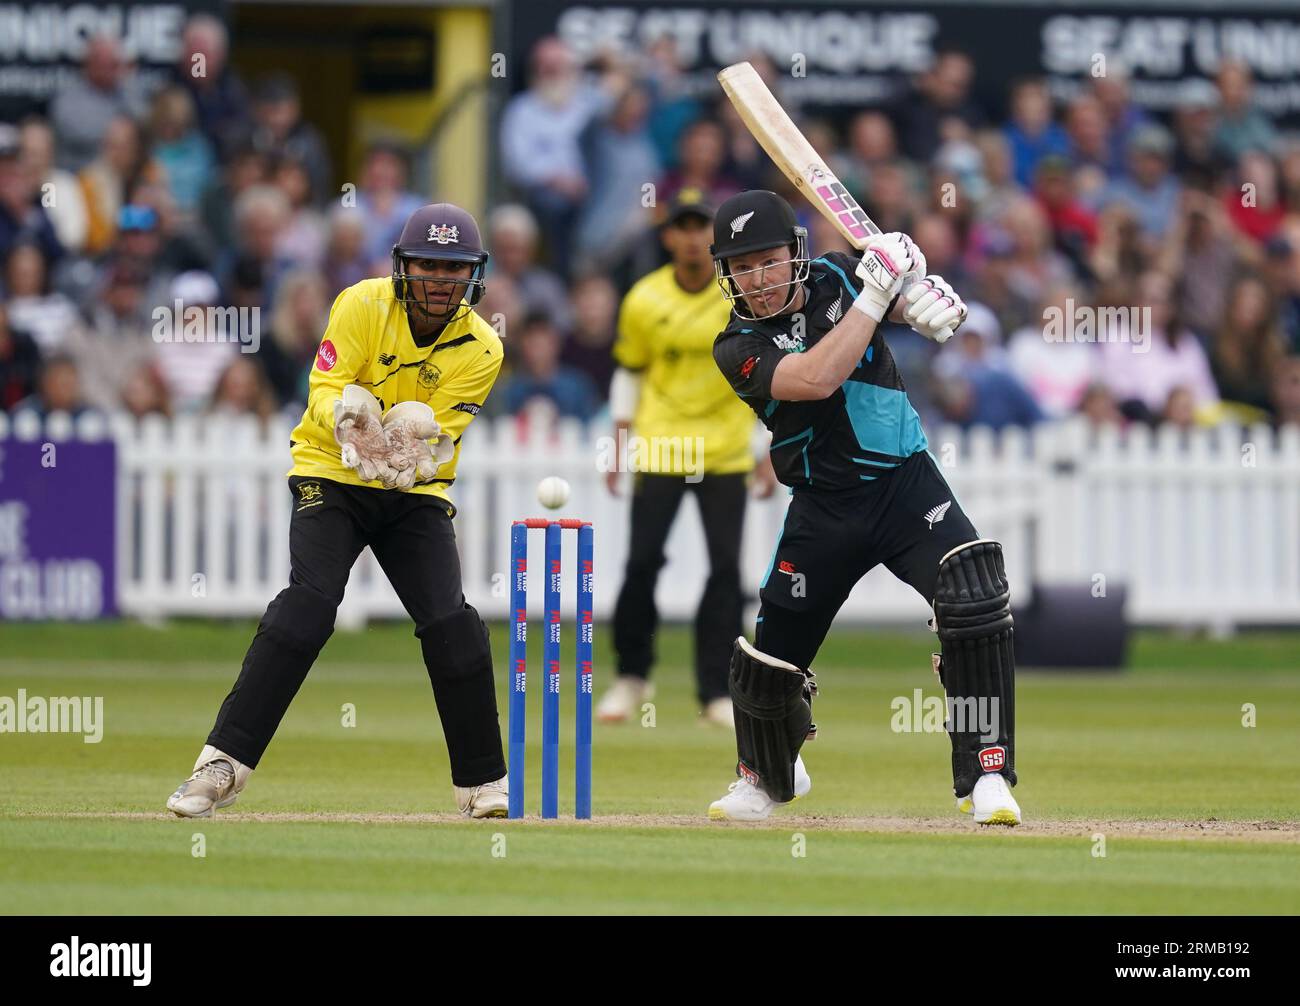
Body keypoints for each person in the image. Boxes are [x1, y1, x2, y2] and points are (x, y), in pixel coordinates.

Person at [166, 203, 511, 819]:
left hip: (411, 492)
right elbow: (325, 387)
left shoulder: (483, 348)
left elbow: (440, 440)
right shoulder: (360, 303)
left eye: (452, 269)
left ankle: (484, 783)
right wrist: (351, 423)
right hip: (331, 471)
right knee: (309, 606)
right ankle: (219, 765)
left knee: (451, 623)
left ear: (473, 276)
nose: (439, 280)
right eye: (427, 265)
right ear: (403, 267)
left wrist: (412, 453)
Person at [704, 189, 1022, 827]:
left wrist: (929, 303)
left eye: (766, 261)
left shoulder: (839, 274)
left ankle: (987, 773)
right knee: (772, 654)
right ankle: (765, 774)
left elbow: (903, 304)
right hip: (824, 506)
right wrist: (877, 298)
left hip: (907, 486)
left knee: (972, 597)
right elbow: (816, 378)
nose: (757, 279)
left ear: (793, 255)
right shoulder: (736, 346)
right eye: (742, 267)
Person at [599, 189, 776, 728]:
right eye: (684, 227)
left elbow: (771, 373)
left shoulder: (738, 297)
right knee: (642, 563)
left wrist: (771, 448)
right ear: (669, 237)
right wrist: (619, 444)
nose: (694, 237)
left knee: (726, 571)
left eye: (704, 228)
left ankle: (715, 692)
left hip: (723, 451)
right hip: (660, 446)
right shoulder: (644, 299)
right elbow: (630, 371)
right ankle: (632, 676)